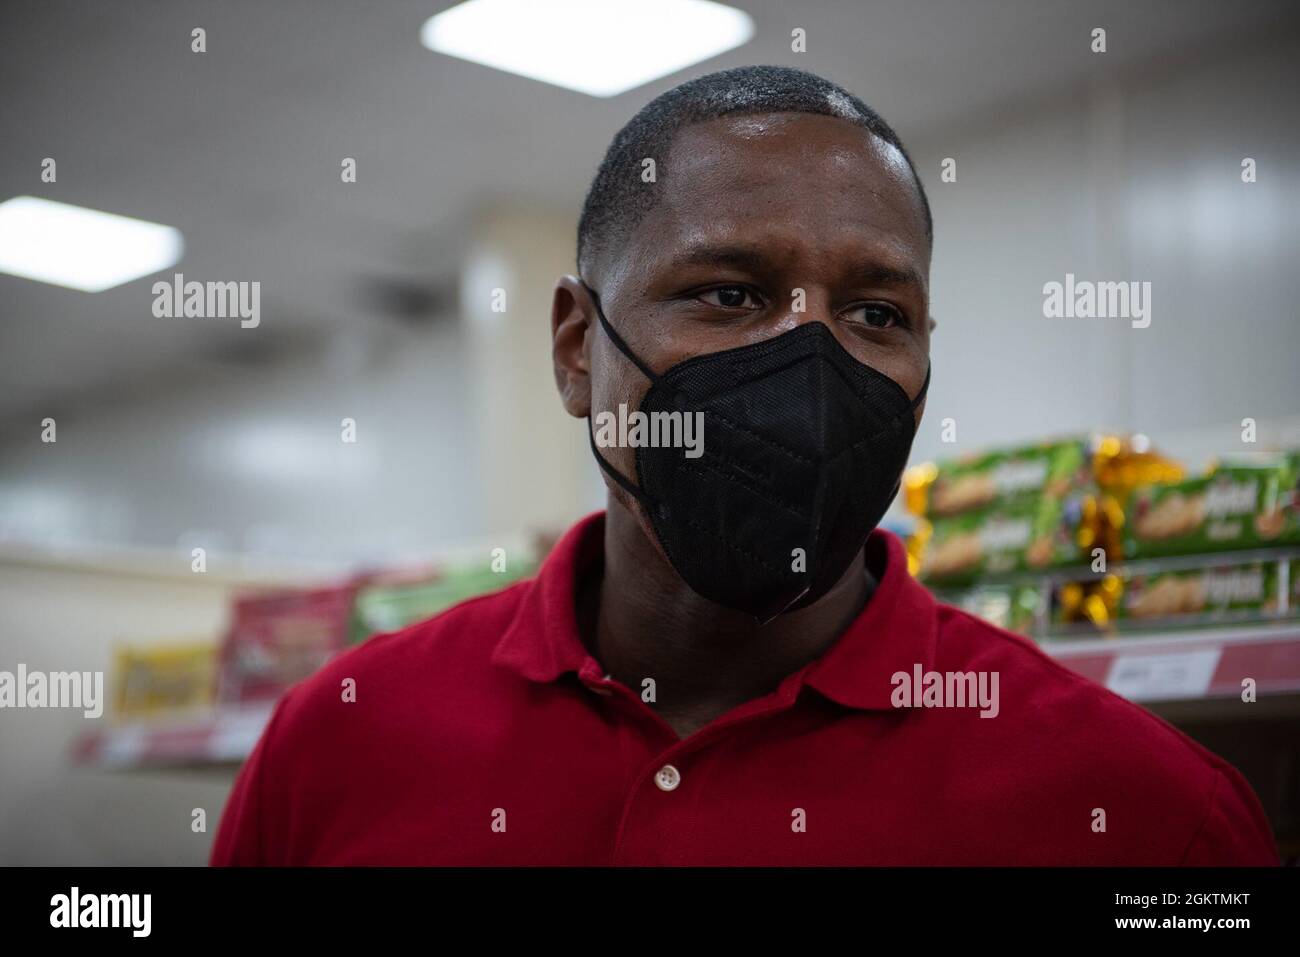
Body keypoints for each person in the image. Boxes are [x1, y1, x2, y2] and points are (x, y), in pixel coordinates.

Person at [211, 65, 1276, 865]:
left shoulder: (1146, 813)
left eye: (874, 313)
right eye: (729, 292)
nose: (809, 364)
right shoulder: (339, 743)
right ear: (578, 349)